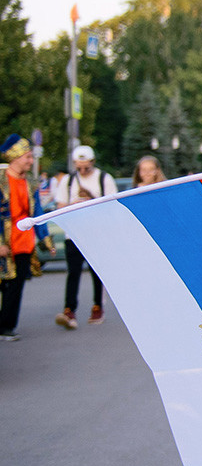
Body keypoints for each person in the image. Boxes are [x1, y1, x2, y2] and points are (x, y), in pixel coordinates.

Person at [53, 145, 118, 328]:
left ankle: (97, 306)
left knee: (96, 272)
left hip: (96, 234)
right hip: (73, 234)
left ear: (92, 162)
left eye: (86, 166)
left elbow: (112, 206)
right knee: (73, 272)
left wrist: (90, 199)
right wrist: (72, 205)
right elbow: (60, 205)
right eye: (78, 166)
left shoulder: (103, 178)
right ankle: (69, 310)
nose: (82, 170)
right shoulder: (68, 180)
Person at [1, 135, 55, 340]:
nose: (31, 161)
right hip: (4, 243)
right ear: (15, 157)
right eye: (27, 157)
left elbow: (37, 214)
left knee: (16, 287)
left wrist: (45, 240)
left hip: (23, 244)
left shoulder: (30, 182)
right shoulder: (0, 179)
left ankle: (6, 326)